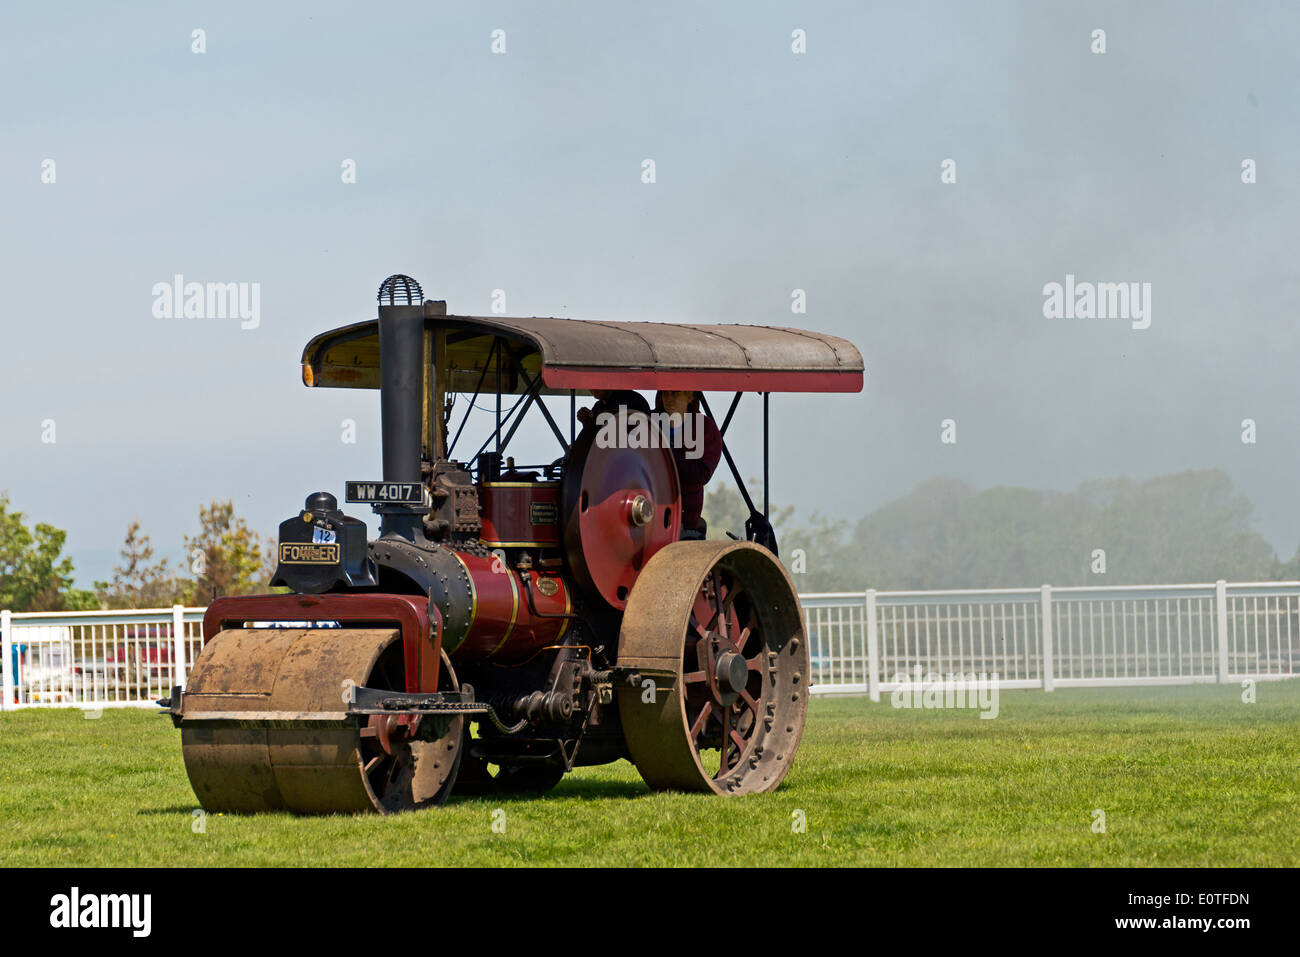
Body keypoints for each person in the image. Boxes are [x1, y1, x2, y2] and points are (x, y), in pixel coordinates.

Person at [655, 390, 722, 539]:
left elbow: (701, 474)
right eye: (665, 393)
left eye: (675, 393)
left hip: (684, 523)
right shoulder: (649, 423)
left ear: (690, 396)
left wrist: (668, 454)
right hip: (648, 517)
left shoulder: (705, 429)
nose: (669, 399)